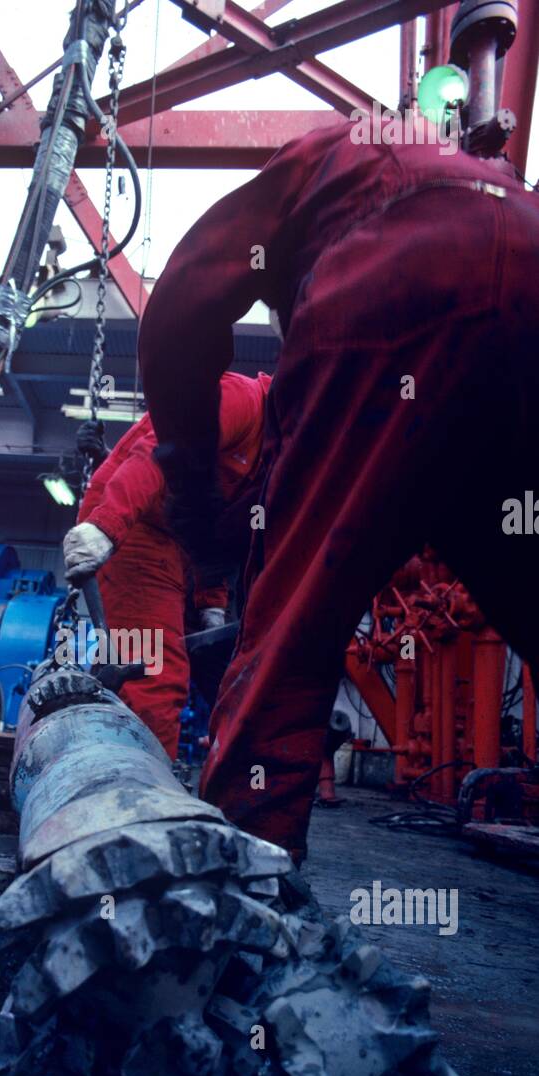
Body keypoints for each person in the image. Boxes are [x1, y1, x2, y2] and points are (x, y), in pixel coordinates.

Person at [138, 119, 539, 862]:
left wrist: (190, 471)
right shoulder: (483, 173)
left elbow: (184, 300)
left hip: (399, 282)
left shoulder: (318, 161)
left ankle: (241, 895)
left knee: (293, 626)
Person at [62, 370, 270, 759]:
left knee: (207, 673)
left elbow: (218, 525)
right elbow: (163, 453)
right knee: (151, 671)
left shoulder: (278, 453)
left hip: (179, 541)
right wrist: (107, 527)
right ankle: (135, 797)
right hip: (133, 523)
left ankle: (114, 758)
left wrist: (211, 602)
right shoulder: (240, 401)